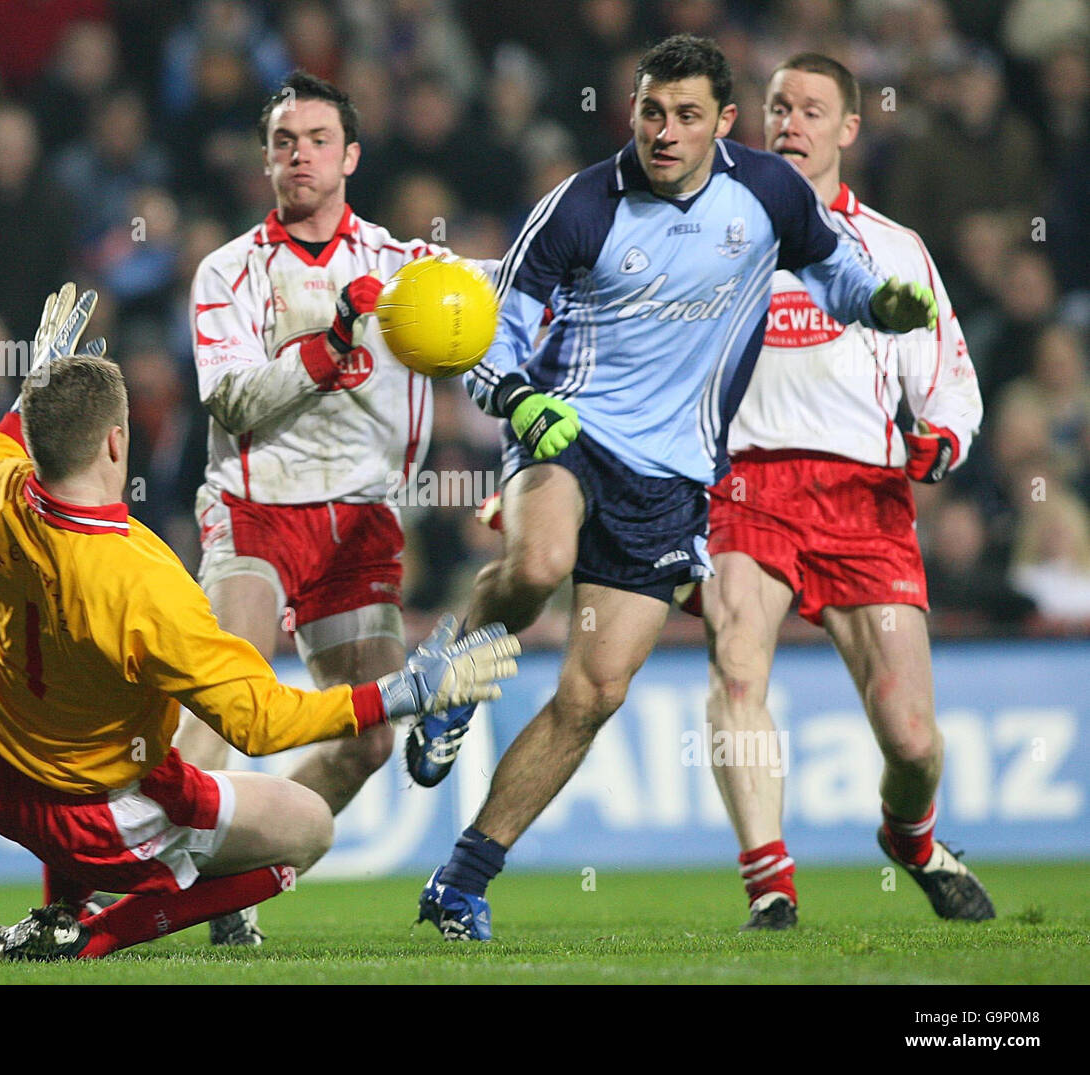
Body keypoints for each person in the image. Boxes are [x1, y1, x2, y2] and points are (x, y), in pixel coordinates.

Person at [412, 34, 939, 941]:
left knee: (597, 692)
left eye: (687, 115)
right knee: (539, 560)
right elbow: (493, 336)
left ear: (723, 124)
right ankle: (450, 672)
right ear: (633, 111)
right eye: (651, 111)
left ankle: (461, 880)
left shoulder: (767, 191)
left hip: (672, 478)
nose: (665, 132)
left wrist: (876, 302)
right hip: (570, 432)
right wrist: (517, 397)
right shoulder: (581, 205)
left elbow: (834, 267)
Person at [0, 284, 518, 962]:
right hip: (91, 813)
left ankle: (61, 910)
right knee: (302, 834)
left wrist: (30, 398)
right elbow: (258, 720)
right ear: (117, 442)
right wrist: (402, 692)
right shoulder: (142, 585)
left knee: (106, 738)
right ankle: (88, 938)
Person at [170, 70, 492, 945]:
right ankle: (144, 882)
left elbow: (489, 317)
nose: (298, 154)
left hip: (361, 523)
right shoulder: (227, 270)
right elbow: (231, 398)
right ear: (266, 159)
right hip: (257, 507)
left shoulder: (407, 272)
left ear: (350, 156)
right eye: (282, 141)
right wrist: (331, 345)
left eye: (316, 139)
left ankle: (225, 875)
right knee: (223, 705)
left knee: (370, 738)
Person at [701, 53, 990, 929]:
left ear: (849, 129)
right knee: (737, 663)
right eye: (778, 107)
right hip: (747, 484)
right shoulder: (713, 237)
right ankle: (771, 883)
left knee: (911, 738)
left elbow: (950, 381)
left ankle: (910, 836)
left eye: (813, 110)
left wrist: (940, 440)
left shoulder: (894, 250)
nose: (790, 122)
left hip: (864, 497)